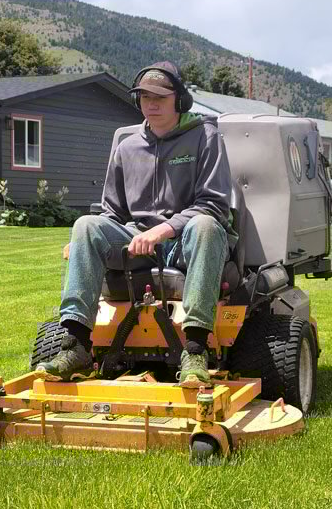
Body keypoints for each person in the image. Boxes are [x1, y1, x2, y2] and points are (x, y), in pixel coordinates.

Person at [41, 61, 233, 384]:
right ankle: (76, 347)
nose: (152, 104)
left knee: (206, 226)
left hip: (188, 241)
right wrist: (86, 241)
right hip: (138, 242)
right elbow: (112, 213)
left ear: (180, 100)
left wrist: (165, 228)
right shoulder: (127, 147)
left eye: (160, 97)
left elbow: (213, 206)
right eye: (145, 97)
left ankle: (196, 351)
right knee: (86, 226)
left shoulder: (205, 137)